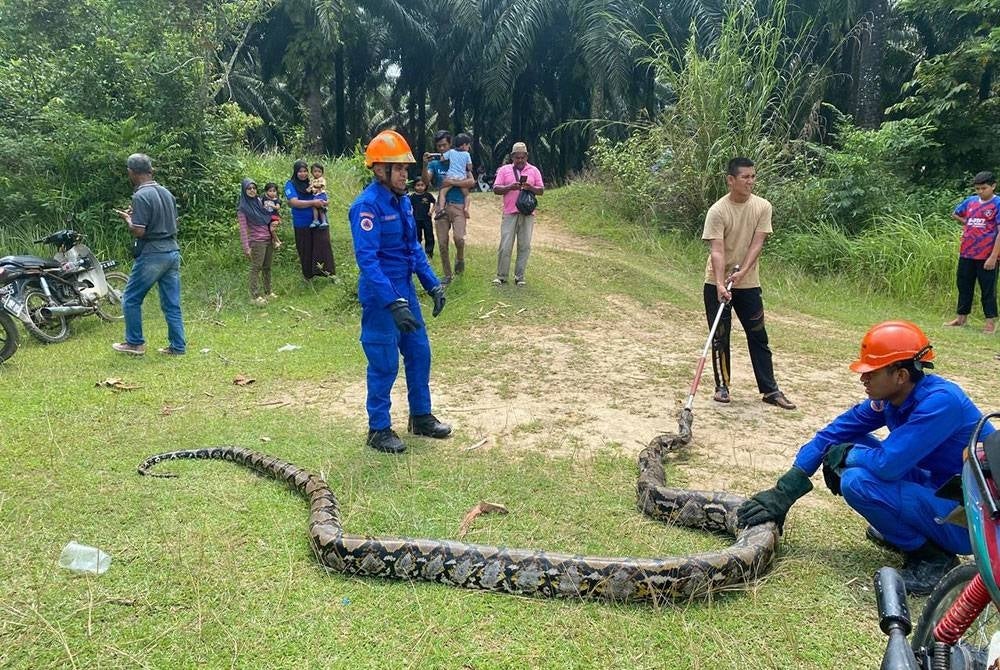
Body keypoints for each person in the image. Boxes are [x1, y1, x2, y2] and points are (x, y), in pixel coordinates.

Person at [737, 321, 995, 595]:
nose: (863, 379)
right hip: (938, 488)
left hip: (970, 517)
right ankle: (914, 534)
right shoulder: (892, 398)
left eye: (871, 372)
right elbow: (832, 434)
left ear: (900, 375)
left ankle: (934, 559)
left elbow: (887, 466)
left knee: (857, 482)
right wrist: (787, 486)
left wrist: (850, 454)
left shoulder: (941, 403)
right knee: (843, 446)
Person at [349, 129, 451, 454]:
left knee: (419, 353)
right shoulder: (366, 207)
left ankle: (420, 417)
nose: (406, 175)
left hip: (405, 291)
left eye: (407, 169)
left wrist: (433, 284)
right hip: (382, 300)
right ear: (380, 169)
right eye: (400, 169)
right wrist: (392, 302)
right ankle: (378, 429)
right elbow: (367, 260)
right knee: (384, 362)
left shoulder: (404, 202)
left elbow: (414, 250)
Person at [702, 156, 794, 410]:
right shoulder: (718, 211)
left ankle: (770, 390)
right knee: (720, 336)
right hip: (716, 282)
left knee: (758, 335)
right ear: (731, 180)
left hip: (748, 282)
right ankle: (722, 386)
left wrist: (742, 274)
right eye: (745, 177)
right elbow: (717, 251)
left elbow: (757, 244)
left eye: (753, 176)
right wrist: (721, 284)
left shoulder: (763, 206)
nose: (750, 181)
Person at [111, 153, 186, 356]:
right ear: (151, 171)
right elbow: (175, 222)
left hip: (153, 253)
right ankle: (178, 346)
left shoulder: (140, 196)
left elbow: (140, 231)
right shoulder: (166, 192)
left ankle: (135, 343)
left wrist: (129, 220)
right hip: (172, 251)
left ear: (131, 172)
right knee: (172, 303)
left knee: (131, 298)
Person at [945, 170, 1000, 334]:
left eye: (984, 188)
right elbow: (955, 213)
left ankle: (990, 322)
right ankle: (961, 318)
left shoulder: (997, 204)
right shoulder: (970, 202)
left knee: (988, 289)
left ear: (993, 186)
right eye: (977, 189)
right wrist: (967, 222)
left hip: (987, 255)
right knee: (964, 285)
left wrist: (993, 256)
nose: (980, 192)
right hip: (967, 252)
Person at [423, 130, 476, 284]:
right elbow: (426, 182)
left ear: (450, 145)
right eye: (438, 146)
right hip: (442, 208)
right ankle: (447, 275)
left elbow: (471, 182)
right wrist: (425, 163)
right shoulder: (435, 164)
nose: (441, 149)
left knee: (459, 238)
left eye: (444, 145)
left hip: (458, 206)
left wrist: (452, 182)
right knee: (442, 243)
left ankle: (460, 257)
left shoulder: (460, 160)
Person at [491, 141, 544, 287]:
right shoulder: (504, 170)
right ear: (512, 157)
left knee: (524, 245)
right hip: (510, 212)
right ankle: (501, 275)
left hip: (527, 213)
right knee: (505, 245)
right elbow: (496, 189)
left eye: (522, 157)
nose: (520, 160)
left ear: (526, 156)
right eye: (517, 157)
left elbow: (541, 190)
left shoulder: (533, 170)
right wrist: (509, 187)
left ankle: (520, 276)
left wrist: (530, 188)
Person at [284, 160, 336, 281]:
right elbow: (294, 202)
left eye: (305, 171)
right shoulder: (290, 184)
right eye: (300, 171)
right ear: (295, 172)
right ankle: (308, 276)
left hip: (319, 221)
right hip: (301, 222)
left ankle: (330, 274)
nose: (303, 174)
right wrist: (313, 202)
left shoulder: (313, 181)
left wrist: (325, 201)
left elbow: (322, 194)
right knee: (305, 249)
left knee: (324, 245)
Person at [237, 178, 276, 305]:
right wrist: (246, 247)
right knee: (256, 267)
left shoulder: (259, 202)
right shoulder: (243, 208)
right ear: (244, 190)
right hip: (257, 241)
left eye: (254, 188)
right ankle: (254, 296)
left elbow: (269, 215)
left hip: (268, 238)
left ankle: (268, 292)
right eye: (249, 188)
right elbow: (243, 229)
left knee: (267, 267)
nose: (252, 190)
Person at [436, 133, 473, 220]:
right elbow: (470, 167)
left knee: (442, 192)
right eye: (468, 145)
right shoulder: (467, 154)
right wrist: (466, 167)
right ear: (464, 145)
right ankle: (466, 209)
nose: (468, 147)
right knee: (466, 195)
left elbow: (442, 159)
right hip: (462, 178)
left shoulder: (451, 152)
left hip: (450, 177)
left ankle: (441, 209)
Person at [408, 177, 436, 258]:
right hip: (416, 219)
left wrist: (431, 211)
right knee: (417, 236)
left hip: (427, 219)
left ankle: (429, 252)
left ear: (425, 186)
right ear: (414, 186)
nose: (420, 187)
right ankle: (418, 252)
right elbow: (407, 206)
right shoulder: (412, 196)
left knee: (429, 236)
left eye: (422, 185)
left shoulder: (428, 195)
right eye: (418, 185)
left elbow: (435, 203)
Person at [261, 182, 283, 249]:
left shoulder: (277, 200)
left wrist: (271, 205)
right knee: (269, 231)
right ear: (266, 192)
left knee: (272, 229)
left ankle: (278, 241)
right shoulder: (264, 198)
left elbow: (277, 207)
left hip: (274, 217)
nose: (272, 192)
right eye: (270, 191)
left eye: (274, 191)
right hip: (266, 217)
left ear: (276, 192)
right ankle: (274, 244)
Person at [309, 162, 329, 229]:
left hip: (321, 195)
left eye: (319, 171)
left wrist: (313, 186)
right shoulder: (312, 180)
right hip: (315, 196)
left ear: (322, 173)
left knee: (320, 207)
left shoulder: (321, 179)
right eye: (315, 171)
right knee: (314, 207)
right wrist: (309, 188)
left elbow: (321, 185)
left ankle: (324, 221)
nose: (317, 173)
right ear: (311, 172)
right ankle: (316, 220)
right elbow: (310, 189)